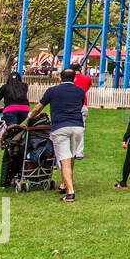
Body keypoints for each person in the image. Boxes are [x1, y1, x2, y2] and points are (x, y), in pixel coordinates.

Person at [27, 69, 88, 202]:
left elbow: (39, 107)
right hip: (77, 127)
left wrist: (31, 116)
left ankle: (70, 192)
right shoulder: (80, 91)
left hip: (60, 127)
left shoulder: (52, 91)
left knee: (64, 159)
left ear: (60, 78)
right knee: (71, 156)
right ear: (74, 79)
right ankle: (64, 183)